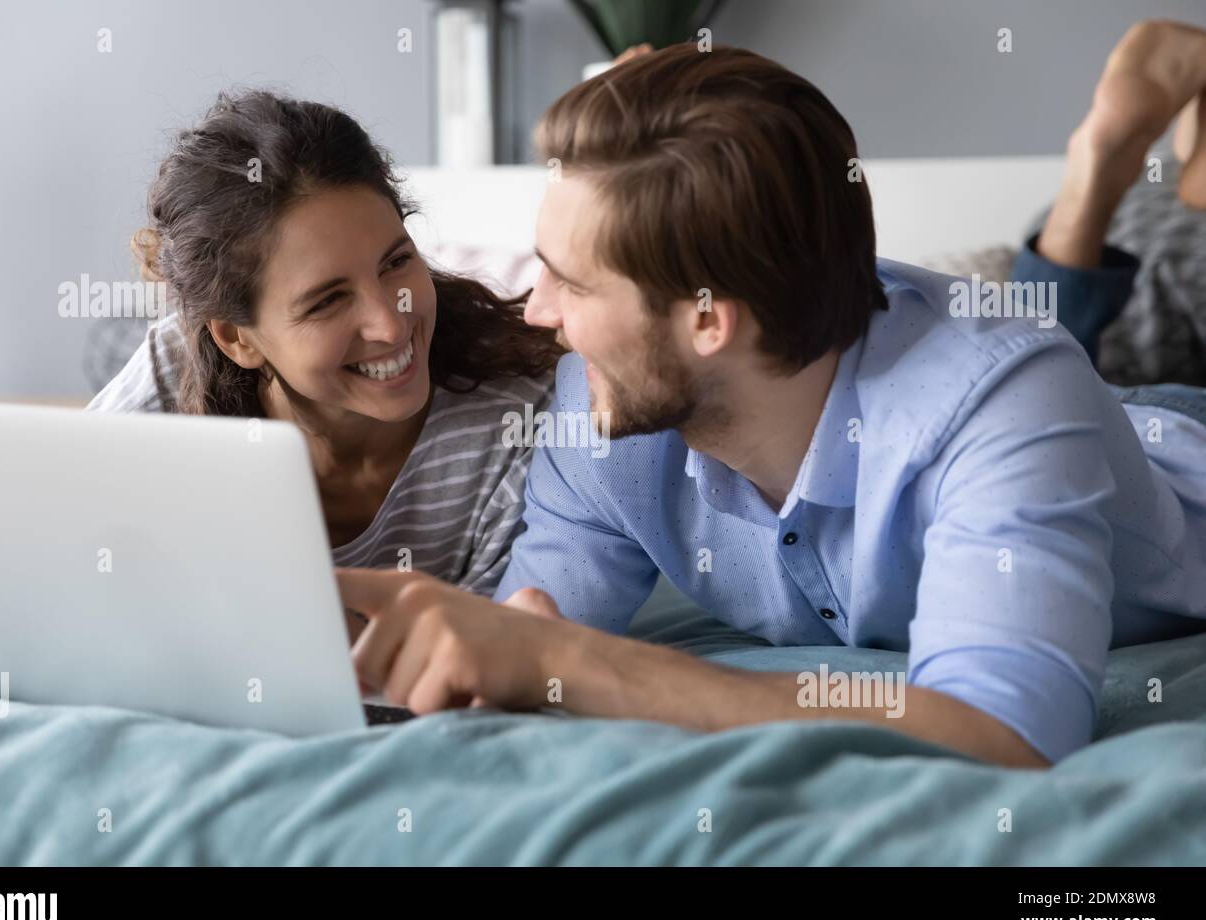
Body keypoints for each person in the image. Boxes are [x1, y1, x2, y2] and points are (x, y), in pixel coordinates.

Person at [333, 26, 1206, 769]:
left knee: (1050, 352)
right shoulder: (599, 412)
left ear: (710, 321)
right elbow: (526, 646)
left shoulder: (1004, 399)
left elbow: (1008, 735)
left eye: (573, 282)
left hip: (1173, 445)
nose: (539, 312)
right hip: (1031, 408)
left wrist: (575, 661)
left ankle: (1110, 165)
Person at [87, 91, 562, 595]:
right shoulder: (169, 385)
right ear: (235, 337)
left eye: (396, 262)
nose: (390, 323)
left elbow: (500, 653)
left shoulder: (518, 421)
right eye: (327, 301)